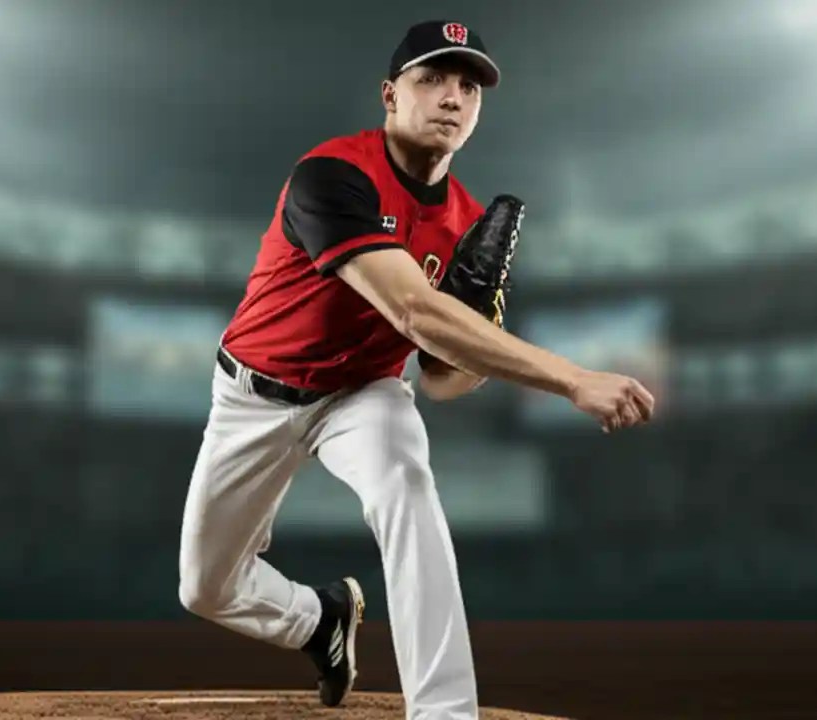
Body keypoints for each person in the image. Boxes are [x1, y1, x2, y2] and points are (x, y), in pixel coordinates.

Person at [177, 19, 655, 719]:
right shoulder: (332, 176)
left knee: (407, 485)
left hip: (362, 395)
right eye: (431, 78)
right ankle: (319, 620)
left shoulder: (463, 218)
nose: (452, 97)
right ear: (390, 95)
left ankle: (443, 711)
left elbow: (439, 377)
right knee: (205, 588)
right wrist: (573, 379)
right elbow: (412, 312)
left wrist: (478, 329)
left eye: (469, 85)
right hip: (255, 393)